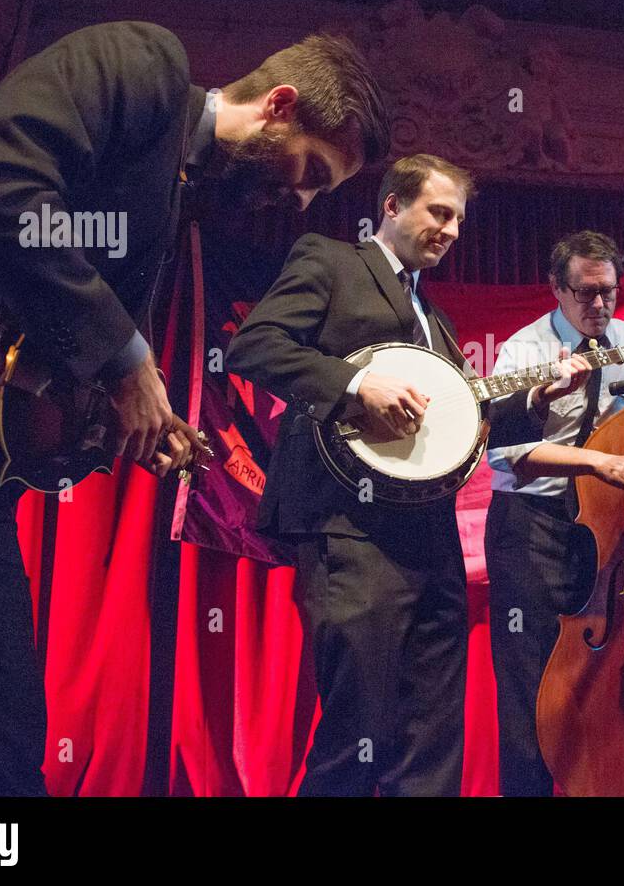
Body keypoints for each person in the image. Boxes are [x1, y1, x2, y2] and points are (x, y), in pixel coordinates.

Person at [0, 21, 390, 795]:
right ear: (279, 104)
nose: (303, 199)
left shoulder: (170, 183)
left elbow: (32, 309)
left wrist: (111, 411)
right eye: (311, 170)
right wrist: (127, 363)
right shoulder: (145, 61)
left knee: (15, 746)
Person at [225, 153, 591, 796]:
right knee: (357, 728)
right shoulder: (332, 262)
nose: (451, 230)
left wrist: (538, 398)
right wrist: (357, 383)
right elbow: (255, 345)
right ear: (392, 206)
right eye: (439, 212)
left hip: (431, 542)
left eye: (459, 220)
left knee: (432, 738)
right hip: (352, 530)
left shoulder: (436, 323)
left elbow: (467, 428)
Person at [483, 230, 624, 796]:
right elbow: (508, 456)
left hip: (611, 528)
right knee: (532, 680)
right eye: (586, 293)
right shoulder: (524, 350)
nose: (599, 305)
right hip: (533, 525)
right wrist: (598, 462)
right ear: (557, 290)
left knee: (610, 672)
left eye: (608, 292)